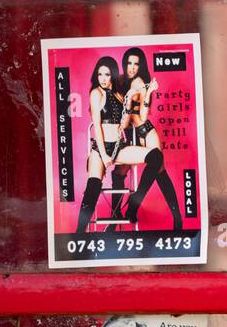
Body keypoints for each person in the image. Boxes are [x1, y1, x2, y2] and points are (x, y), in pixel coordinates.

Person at [117, 47, 184, 230]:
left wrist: (148, 93)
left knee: (159, 169)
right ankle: (176, 218)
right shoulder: (125, 81)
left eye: (136, 64)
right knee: (154, 172)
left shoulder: (138, 82)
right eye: (129, 63)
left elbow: (143, 116)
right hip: (132, 134)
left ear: (141, 66)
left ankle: (135, 204)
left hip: (145, 131)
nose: (132, 67)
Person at [75, 57, 127, 234]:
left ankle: (115, 218)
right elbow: (96, 125)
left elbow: (128, 118)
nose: (103, 78)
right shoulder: (96, 93)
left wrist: (123, 126)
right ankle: (79, 232)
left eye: (106, 74)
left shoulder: (120, 94)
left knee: (120, 175)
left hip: (120, 145)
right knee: (94, 184)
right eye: (99, 74)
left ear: (113, 74)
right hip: (101, 146)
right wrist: (104, 155)